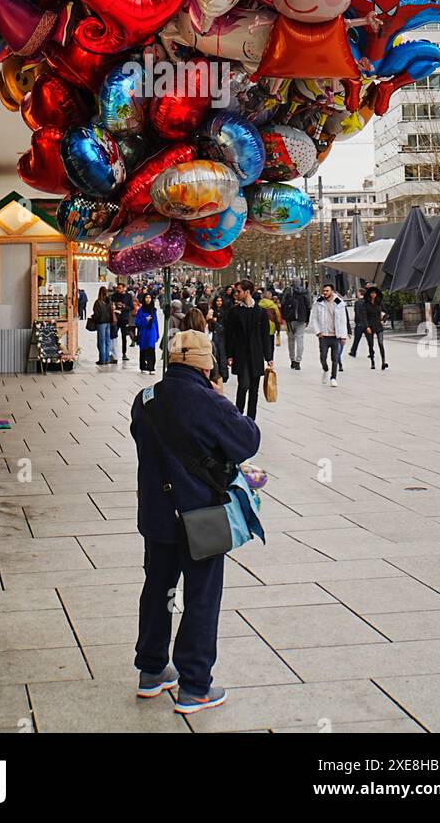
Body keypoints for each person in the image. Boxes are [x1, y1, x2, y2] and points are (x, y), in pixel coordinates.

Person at [130, 306, 259, 714]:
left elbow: (142, 439)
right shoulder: (209, 401)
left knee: (159, 589)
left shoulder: (145, 399)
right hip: (200, 517)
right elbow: (248, 440)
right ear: (207, 367)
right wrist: (220, 401)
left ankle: (152, 671)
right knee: (201, 595)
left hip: (156, 516)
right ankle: (195, 685)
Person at [225, 279, 273, 419]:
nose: (236, 294)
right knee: (243, 385)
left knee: (254, 390)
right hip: (241, 354)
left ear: (247, 292)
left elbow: (265, 335)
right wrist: (230, 354)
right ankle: (238, 416)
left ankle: (251, 419)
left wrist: (269, 357)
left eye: (239, 291)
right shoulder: (234, 312)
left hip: (256, 354)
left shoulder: (261, 312)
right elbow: (230, 335)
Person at [308, 282, 348, 387]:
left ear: (332, 291)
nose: (325, 292)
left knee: (335, 358)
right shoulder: (318, 302)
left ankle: (333, 378)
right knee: (323, 357)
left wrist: (343, 336)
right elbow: (314, 318)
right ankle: (325, 370)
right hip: (323, 336)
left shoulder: (339, 303)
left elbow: (343, 321)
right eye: (324, 291)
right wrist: (318, 332)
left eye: (327, 291)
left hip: (335, 336)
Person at [281, 277, 311, 370]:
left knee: (291, 340)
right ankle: (298, 361)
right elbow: (308, 306)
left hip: (290, 319)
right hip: (301, 319)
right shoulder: (305, 292)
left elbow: (282, 303)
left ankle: (292, 360)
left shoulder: (288, 291)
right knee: (300, 339)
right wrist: (307, 319)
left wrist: (284, 317)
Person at [363, 285, 388, 371]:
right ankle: (372, 361)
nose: (373, 294)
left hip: (378, 325)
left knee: (381, 343)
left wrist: (383, 319)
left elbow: (386, 312)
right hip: (370, 325)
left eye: (375, 293)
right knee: (371, 344)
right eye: (372, 293)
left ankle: (383, 362)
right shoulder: (366, 304)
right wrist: (367, 327)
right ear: (369, 294)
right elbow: (364, 317)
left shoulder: (379, 303)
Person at [136, 292, 160, 374]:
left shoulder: (153, 310)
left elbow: (156, 322)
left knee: (151, 349)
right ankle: (143, 366)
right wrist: (145, 320)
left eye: (149, 297)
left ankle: (151, 367)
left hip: (152, 331)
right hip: (143, 332)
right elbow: (137, 322)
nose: (148, 299)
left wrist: (157, 334)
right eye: (146, 297)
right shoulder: (140, 310)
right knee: (143, 349)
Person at [91, 286, 115, 367]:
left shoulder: (98, 302)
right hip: (108, 323)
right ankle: (107, 359)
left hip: (101, 323)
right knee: (107, 341)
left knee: (101, 342)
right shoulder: (109, 301)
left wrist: (93, 317)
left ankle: (102, 360)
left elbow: (96, 314)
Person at [208, 294, 228, 381]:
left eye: (220, 301)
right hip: (215, 334)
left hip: (223, 334)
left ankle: (223, 373)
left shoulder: (225, 311)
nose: (219, 302)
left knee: (222, 353)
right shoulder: (212, 311)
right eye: (217, 301)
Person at [112, 280, 133, 363]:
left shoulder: (128, 296)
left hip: (124, 318)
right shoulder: (114, 295)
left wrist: (124, 306)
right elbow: (111, 304)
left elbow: (131, 307)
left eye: (120, 288)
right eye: (118, 288)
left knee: (124, 337)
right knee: (114, 335)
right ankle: (114, 354)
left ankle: (124, 354)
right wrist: (116, 305)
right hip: (116, 318)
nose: (118, 289)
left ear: (124, 288)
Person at [258, 288, 282, 364]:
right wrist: (278, 329)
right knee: (270, 344)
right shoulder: (273, 306)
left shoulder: (258, 305)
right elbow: (278, 317)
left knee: (261, 343)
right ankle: (270, 359)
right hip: (271, 327)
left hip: (260, 328)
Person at [348, 290, 368, 358]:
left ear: (360, 293)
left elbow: (357, 312)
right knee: (369, 339)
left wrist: (357, 321)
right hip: (367, 323)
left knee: (356, 339)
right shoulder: (367, 301)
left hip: (359, 323)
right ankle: (371, 352)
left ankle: (353, 351)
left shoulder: (357, 302)